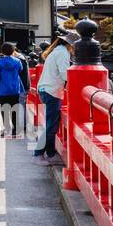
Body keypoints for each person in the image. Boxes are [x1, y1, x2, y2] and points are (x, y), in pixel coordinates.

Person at [34, 31, 77, 165]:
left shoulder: (57, 51)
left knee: (52, 124)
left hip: (46, 89)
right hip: (51, 91)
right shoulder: (63, 53)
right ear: (71, 45)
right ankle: (37, 154)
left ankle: (51, 154)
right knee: (51, 125)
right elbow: (65, 74)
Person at [0, 43, 27, 138]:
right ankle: (15, 130)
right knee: (15, 109)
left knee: (4, 110)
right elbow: (20, 70)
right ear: (13, 51)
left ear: (2, 51)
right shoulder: (18, 61)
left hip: (3, 90)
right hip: (15, 89)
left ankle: (7, 129)